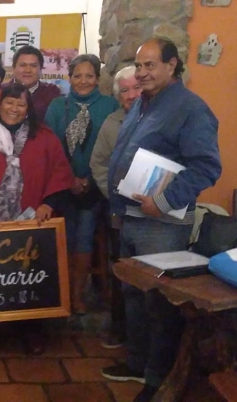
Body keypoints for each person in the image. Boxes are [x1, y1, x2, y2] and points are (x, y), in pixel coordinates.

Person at [101, 38, 222, 402]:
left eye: (150, 65)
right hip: (132, 218)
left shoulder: (190, 109)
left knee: (159, 305)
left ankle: (157, 381)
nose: (142, 73)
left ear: (172, 65)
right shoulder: (143, 104)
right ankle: (137, 364)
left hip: (162, 225)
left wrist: (165, 200)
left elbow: (207, 167)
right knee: (134, 297)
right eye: (139, 66)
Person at [0, 82, 74, 354]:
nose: (14, 109)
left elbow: (59, 172)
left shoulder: (44, 137)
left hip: (32, 220)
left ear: (28, 108)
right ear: (0, 103)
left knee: (29, 273)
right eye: (9, 102)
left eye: (20, 104)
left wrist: (49, 203)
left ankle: (31, 329)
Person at [44, 54, 119, 320]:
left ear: (97, 78)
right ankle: (60, 293)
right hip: (63, 185)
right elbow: (50, 147)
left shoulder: (110, 106)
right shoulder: (57, 106)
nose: (83, 81)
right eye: (77, 76)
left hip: (95, 186)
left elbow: (113, 148)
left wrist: (89, 179)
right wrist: (70, 179)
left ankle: (77, 295)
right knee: (63, 236)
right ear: (70, 78)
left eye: (89, 76)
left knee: (84, 235)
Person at [89, 65, 142, 349]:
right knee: (121, 269)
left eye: (136, 88)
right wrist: (113, 195)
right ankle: (121, 328)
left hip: (157, 214)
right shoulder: (112, 123)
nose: (131, 95)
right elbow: (98, 163)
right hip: (120, 212)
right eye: (125, 90)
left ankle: (146, 341)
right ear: (118, 96)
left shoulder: (163, 118)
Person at [8, 45, 62, 121]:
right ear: (13, 68)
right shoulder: (1, 91)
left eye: (33, 66)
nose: (28, 70)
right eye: (23, 65)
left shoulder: (51, 93)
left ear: (41, 69)